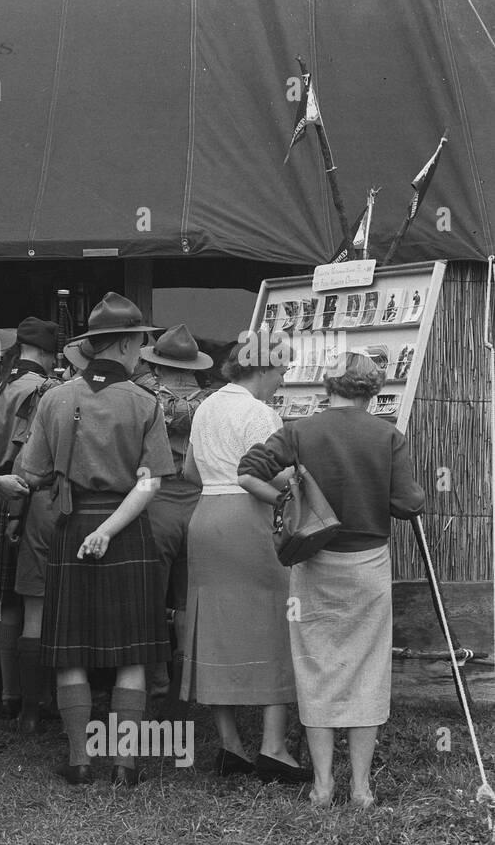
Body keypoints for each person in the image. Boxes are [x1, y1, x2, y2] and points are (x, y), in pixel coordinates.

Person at [238, 350, 425, 808]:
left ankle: (322, 785)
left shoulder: (300, 431)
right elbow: (408, 504)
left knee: (315, 665)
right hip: (367, 566)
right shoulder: (387, 435)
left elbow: (247, 472)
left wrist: (290, 501)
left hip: (314, 562)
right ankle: (360, 787)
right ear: (373, 391)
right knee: (368, 668)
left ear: (328, 386)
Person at [16, 293, 175, 787]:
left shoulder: (55, 398)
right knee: (133, 652)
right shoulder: (145, 402)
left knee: (71, 650)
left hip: (72, 523)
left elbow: (30, 472)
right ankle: (125, 764)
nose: (141, 351)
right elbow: (150, 482)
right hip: (127, 529)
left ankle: (79, 760)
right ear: (125, 343)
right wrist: (110, 530)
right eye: (140, 342)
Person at [181, 339, 307, 780]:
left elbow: (189, 472)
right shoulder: (260, 413)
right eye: (282, 372)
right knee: (274, 621)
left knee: (215, 627)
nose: (282, 381)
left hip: (206, 516)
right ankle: (273, 747)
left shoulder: (206, 407)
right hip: (249, 516)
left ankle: (230, 745)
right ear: (263, 370)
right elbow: (272, 473)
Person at [0, 315, 61, 735]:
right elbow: (37, 454)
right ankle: (37, 697)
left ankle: (7, 692)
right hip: (28, 497)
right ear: (48, 353)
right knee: (34, 599)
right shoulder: (45, 390)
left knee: (4, 600)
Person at [139, 325, 214, 710]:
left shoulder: (144, 398)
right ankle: (187, 688)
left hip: (156, 500)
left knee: (151, 596)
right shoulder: (212, 403)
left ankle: (156, 682)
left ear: (158, 365)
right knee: (189, 600)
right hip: (200, 500)